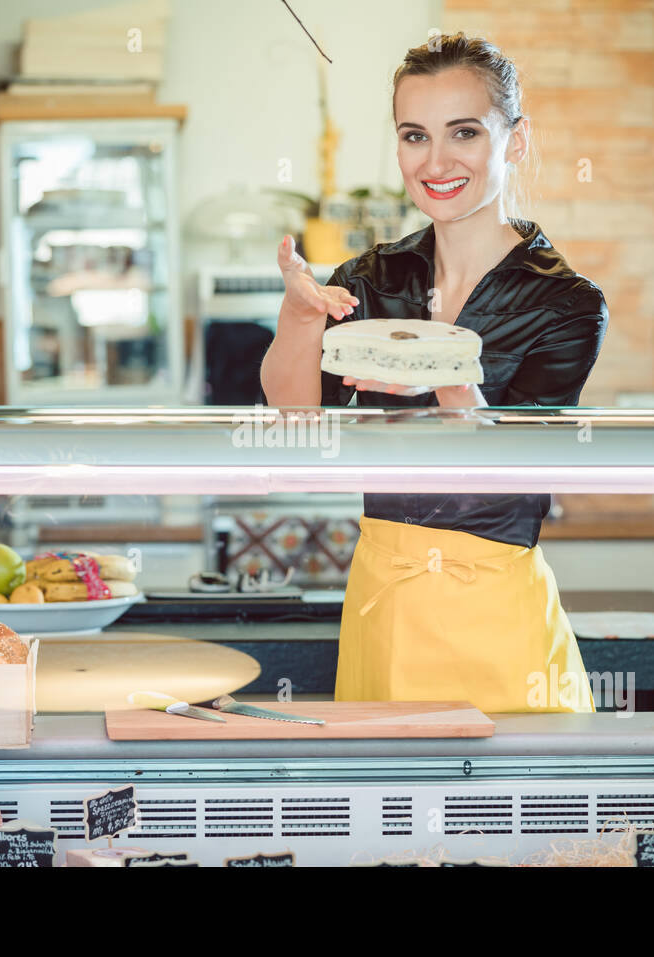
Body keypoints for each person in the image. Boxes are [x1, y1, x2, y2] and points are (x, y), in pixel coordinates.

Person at [260, 33, 609, 713]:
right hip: (383, 600)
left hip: (497, 609)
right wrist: (301, 318)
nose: (438, 161)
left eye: (465, 133)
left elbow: (514, 470)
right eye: (415, 135)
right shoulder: (369, 278)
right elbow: (294, 423)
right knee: (385, 815)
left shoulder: (566, 303)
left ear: (515, 141)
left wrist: (449, 377)